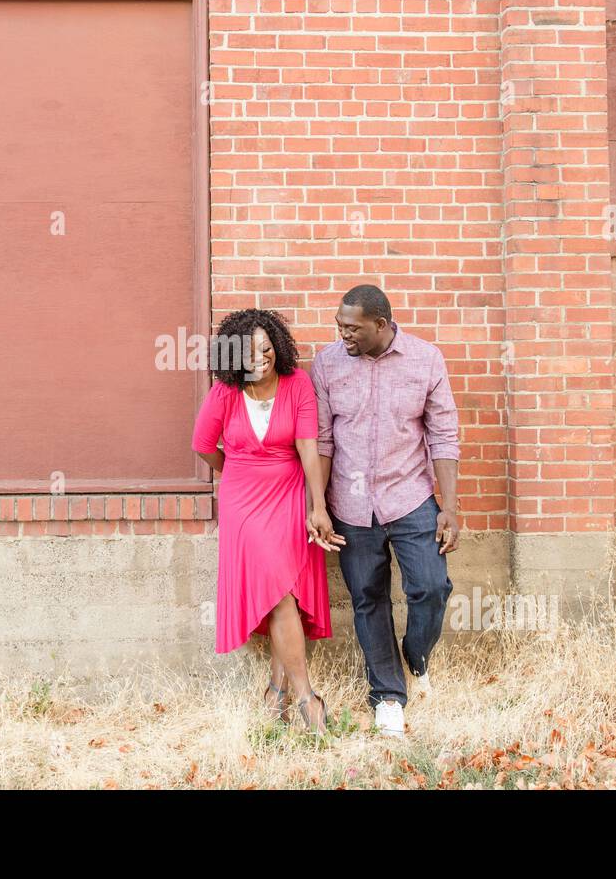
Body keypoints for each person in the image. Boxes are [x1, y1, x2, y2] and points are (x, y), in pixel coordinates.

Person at [310, 285, 461, 739]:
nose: (342, 335)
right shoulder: (327, 363)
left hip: (410, 497)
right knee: (368, 600)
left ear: (381, 324)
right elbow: (321, 440)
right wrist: (317, 505)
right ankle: (388, 696)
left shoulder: (426, 359)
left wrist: (448, 507)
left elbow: (443, 436)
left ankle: (415, 655)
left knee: (432, 587)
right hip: (351, 506)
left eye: (351, 328)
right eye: (339, 326)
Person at [191, 308, 344, 733]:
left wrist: (318, 505)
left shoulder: (297, 384)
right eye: (250, 351)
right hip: (244, 502)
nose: (261, 358)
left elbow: (309, 446)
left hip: (290, 496)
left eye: (267, 348)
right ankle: (308, 699)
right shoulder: (225, 392)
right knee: (276, 593)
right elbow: (203, 444)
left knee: (286, 594)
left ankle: (275, 692)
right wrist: (240, 467)